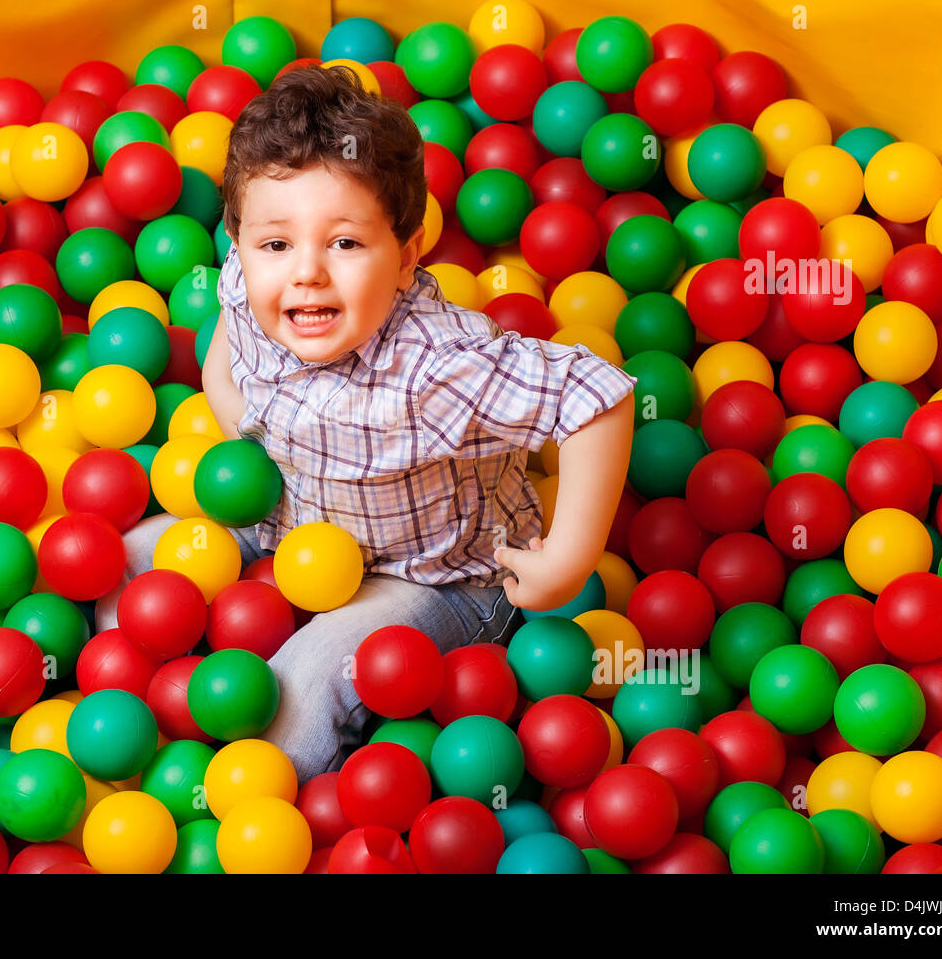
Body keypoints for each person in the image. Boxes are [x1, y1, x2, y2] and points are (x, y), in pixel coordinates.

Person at [95, 64, 637, 785]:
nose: (307, 274)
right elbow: (229, 333)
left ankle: (236, 800)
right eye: (276, 245)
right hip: (282, 521)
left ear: (408, 256)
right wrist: (231, 407)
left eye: (345, 244)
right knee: (122, 560)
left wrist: (568, 558)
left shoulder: (436, 366)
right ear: (240, 242)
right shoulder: (256, 284)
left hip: (432, 574)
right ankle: (132, 720)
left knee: (304, 681)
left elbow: (598, 394)